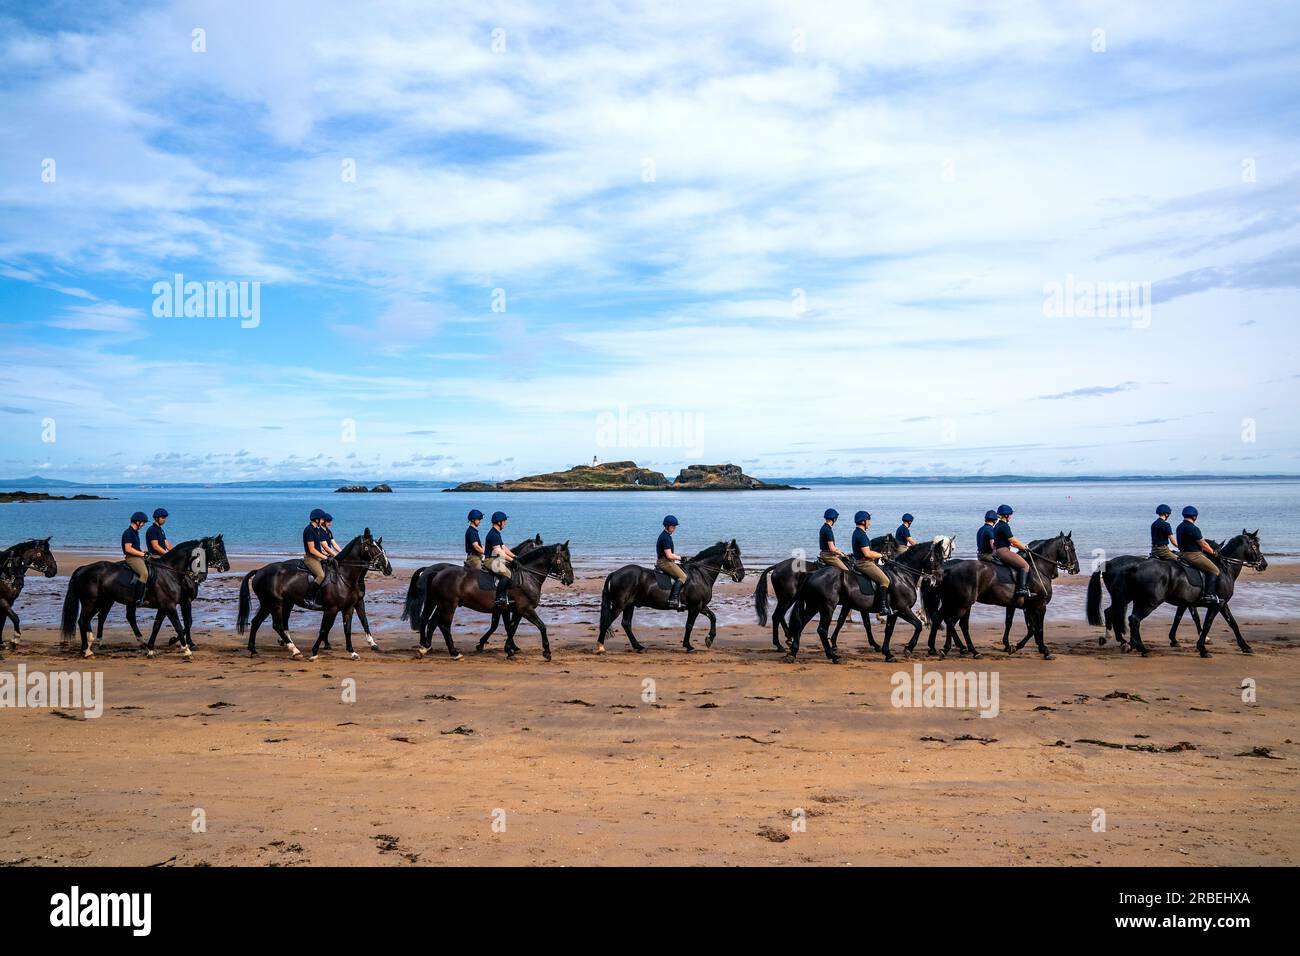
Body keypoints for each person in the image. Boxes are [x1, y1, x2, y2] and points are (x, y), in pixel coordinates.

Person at [851, 510, 893, 615]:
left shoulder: (857, 532)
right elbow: (867, 553)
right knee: (885, 580)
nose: (869, 522)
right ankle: (882, 608)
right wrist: (881, 555)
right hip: (864, 563)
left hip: (860, 562)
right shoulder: (861, 535)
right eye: (868, 520)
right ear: (863, 522)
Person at [1175, 506, 1220, 604]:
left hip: (1182, 554)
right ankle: (1208, 595)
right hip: (1194, 555)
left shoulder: (1179, 526)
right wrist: (1213, 552)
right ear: (1194, 517)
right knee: (1214, 570)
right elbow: (1203, 544)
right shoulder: (1193, 528)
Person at [992, 504, 1031, 599]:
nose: (1011, 517)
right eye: (1010, 515)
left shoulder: (997, 525)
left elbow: (1007, 541)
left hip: (998, 550)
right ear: (1006, 515)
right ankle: (1021, 589)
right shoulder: (1004, 526)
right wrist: (1025, 547)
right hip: (1003, 552)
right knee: (1025, 566)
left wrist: (1019, 546)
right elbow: (1013, 540)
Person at [484, 511, 516, 607]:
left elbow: (504, 548)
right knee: (507, 573)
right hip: (490, 560)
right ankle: (499, 598)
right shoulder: (493, 534)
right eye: (504, 521)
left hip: (495, 559)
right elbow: (499, 552)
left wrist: (515, 557)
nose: (505, 523)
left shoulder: (496, 533)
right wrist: (512, 560)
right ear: (499, 522)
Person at [656, 515, 688, 611]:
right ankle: (673, 600)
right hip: (665, 562)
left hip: (667, 561)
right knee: (683, 577)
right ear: (667, 526)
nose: (674, 528)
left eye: (675, 526)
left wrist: (679, 558)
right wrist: (681, 558)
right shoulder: (665, 538)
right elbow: (669, 555)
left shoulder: (666, 536)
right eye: (673, 526)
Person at [303, 508, 330, 608]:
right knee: (321, 575)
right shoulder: (309, 530)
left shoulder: (316, 530)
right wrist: (324, 557)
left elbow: (317, 548)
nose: (323, 521)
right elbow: (312, 550)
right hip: (311, 558)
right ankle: (309, 598)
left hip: (318, 557)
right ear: (316, 520)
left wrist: (326, 554)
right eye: (322, 519)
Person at [121, 511, 150, 605]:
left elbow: (135, 548)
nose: (144, 525)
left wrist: (143, 552)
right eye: (143, 523)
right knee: (144, 573)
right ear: (138, 522)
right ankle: (138, 599)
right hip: (131, 558)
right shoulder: (128, 532)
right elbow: (128, 549)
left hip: (137, 556)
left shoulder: (135, 532)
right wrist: (142, 555)